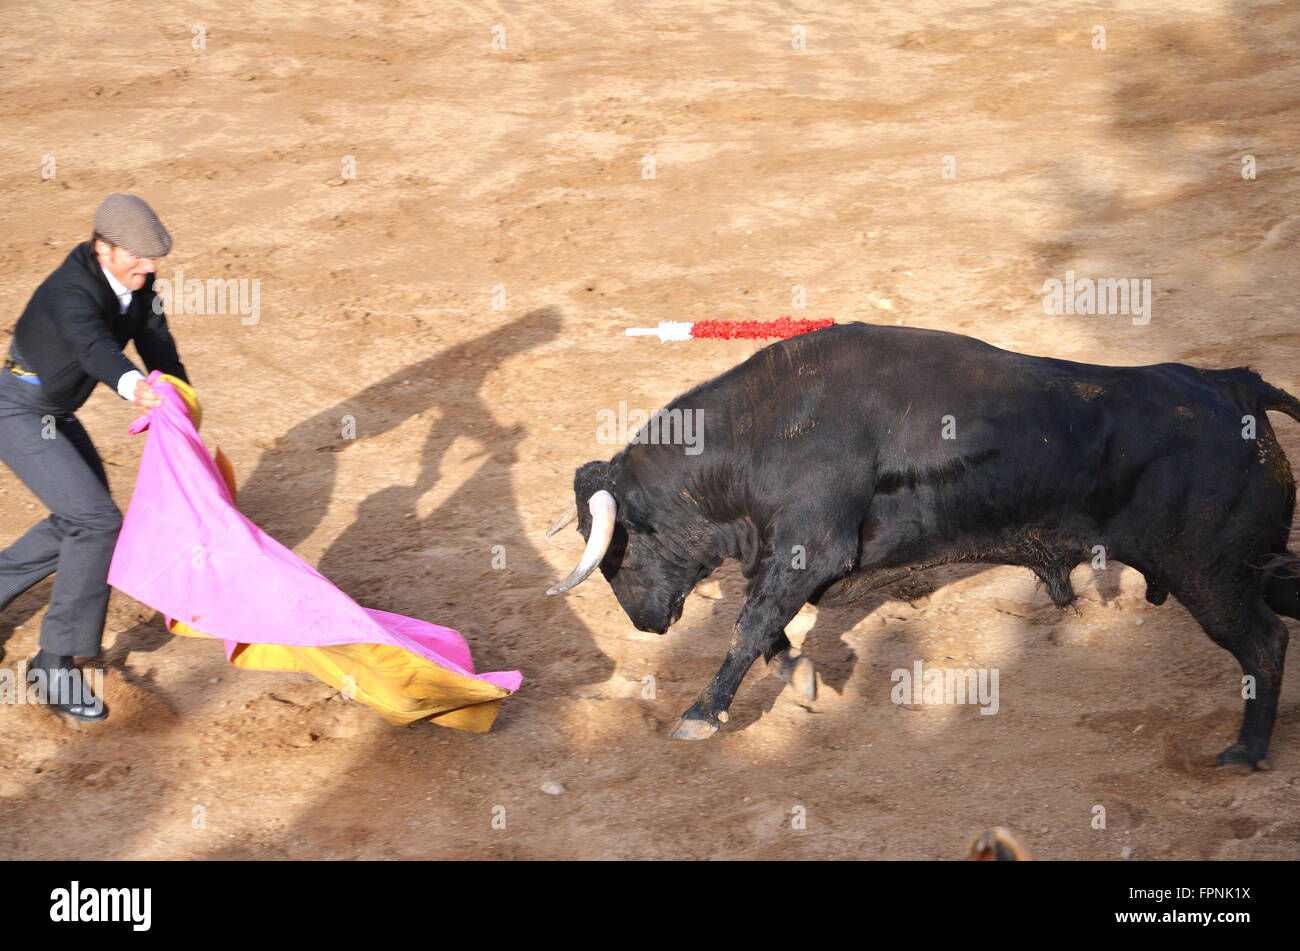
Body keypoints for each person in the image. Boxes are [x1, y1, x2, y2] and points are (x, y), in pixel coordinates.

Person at [0, 193, 189, 721]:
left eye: (155, 259)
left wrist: (180, 397)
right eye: (139, 256)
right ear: (103, 248)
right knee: (96, 521)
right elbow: (92, 348)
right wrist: (133, 386)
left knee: (81, 521)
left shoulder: (138, 279)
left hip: (56, 410)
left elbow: (155, 338)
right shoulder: (70, 288)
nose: (149, 268)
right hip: (15, 408)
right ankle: (54, 661)